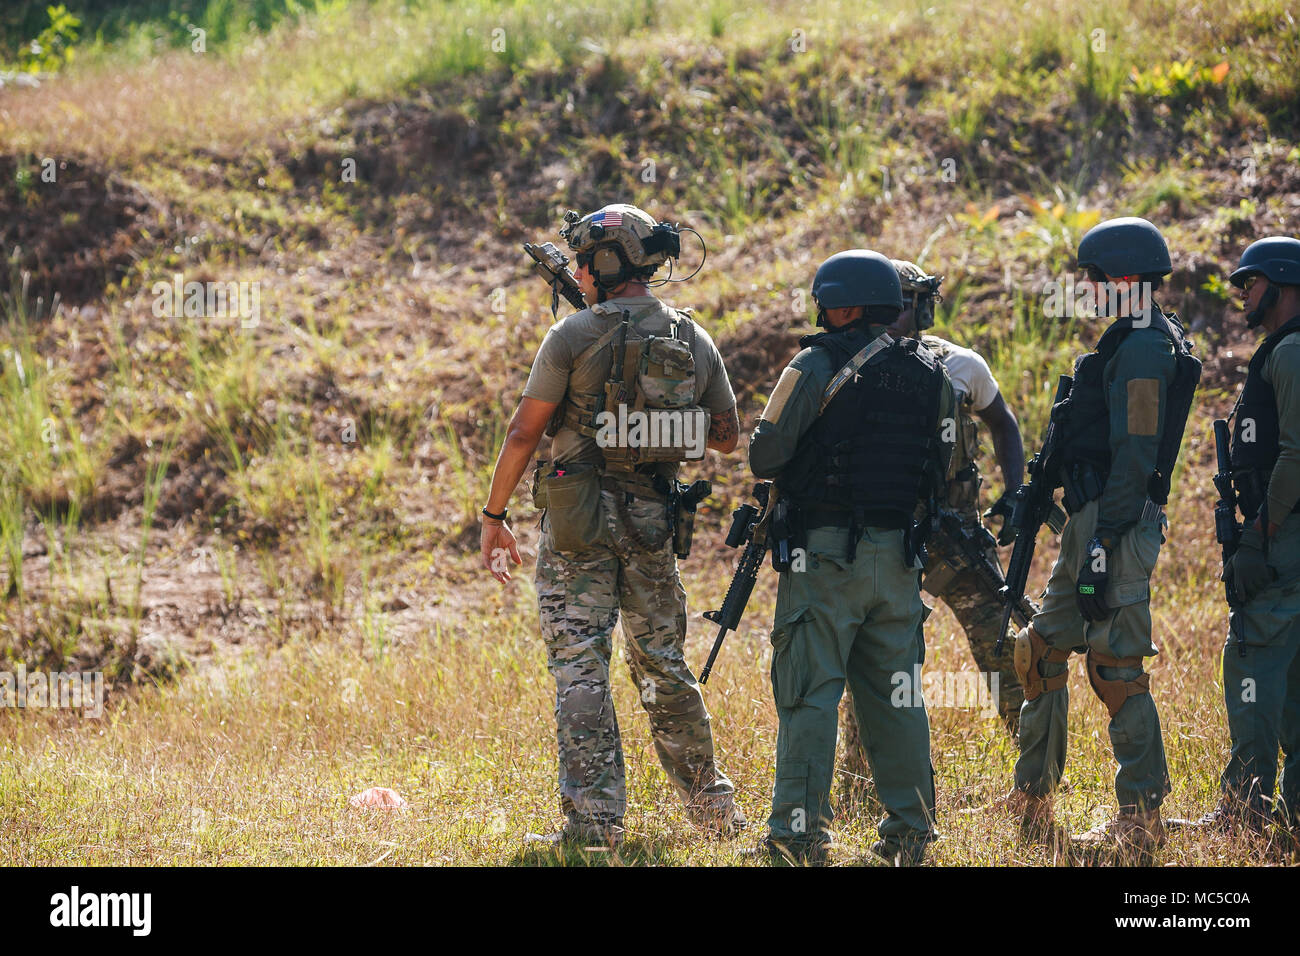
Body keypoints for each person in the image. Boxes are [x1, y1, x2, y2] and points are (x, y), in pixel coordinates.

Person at [479, 203, 745, 848]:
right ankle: (714, 812)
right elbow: (728, 438)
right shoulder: (690, 336)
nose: (573, 268)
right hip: (654, 520)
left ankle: (595, 824)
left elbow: (523, 432)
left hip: (577, 521)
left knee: (580, 666)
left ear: (603, 262)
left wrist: (493, 516)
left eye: (580, 258)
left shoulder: (571, 336)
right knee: (660, 662)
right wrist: (651, 424)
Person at [984, 217, 1200, 863]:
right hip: (1092, 521)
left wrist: (1106, 540)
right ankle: (1032, 797)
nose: (1090, 288)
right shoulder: (1124, 341)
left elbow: (1136, 453)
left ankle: (1140, 817)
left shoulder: (1142, 350)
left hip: (1119, 523)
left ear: (1127, 278)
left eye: (1097, 278)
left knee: (1116, 669)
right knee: (1041, 651)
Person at [748, 249, 955, 865]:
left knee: (810, 692)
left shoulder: (814, 363)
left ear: (844, 305)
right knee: (898, 697)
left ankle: (798, 835)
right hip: (898, 563)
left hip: (826, 559)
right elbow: (942, 469)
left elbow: (765, 455)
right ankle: (911, 832)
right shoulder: (933, 373)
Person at [839, 261, 1029, 782]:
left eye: (905, 301)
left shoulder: (961, 364)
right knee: (874, 656)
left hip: (956, 533)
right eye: (887, 301)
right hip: (886, 534)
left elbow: (1002, 423)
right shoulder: (854, 363)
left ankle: (1033, 761)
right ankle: (859, 775)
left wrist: (1016, 494)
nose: (896, 313)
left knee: (1003, 645)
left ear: (922, 306)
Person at [1173, 236, 1300, 844]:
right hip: (1284, 539)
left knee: (1248, 663)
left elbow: (1297, 455)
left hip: (1282, 543)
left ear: (1281, 283)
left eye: (1250, 283)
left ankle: (1246, 811)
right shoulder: (1284, 352)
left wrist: (1259, 535)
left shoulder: (1292, 353)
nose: (1243, 293)